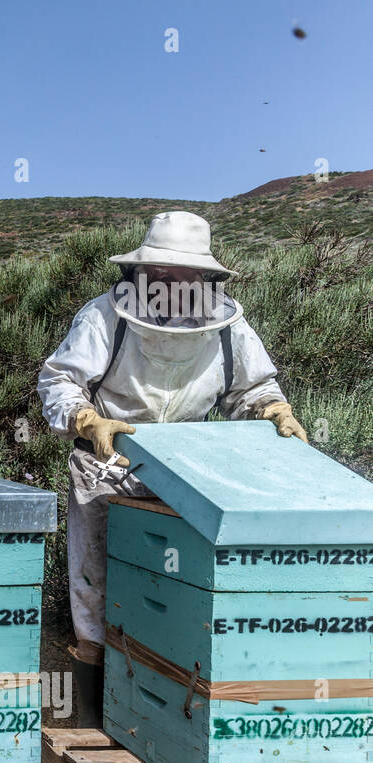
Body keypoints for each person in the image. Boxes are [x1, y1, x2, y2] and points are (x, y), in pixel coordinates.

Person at [36, 211, 306, 726]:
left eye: (181, 274)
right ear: (140, 272)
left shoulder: (229, 328)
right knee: (97, 586)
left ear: (205, 278)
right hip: (108, 468)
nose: (170, 282)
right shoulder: (103, 317)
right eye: (160, 272)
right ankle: (94, 716)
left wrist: (275, 410)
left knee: (177, 592)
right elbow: (59, 382)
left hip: (191, 473)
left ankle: (163, 713)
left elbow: (253, 388)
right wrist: (86, 417)